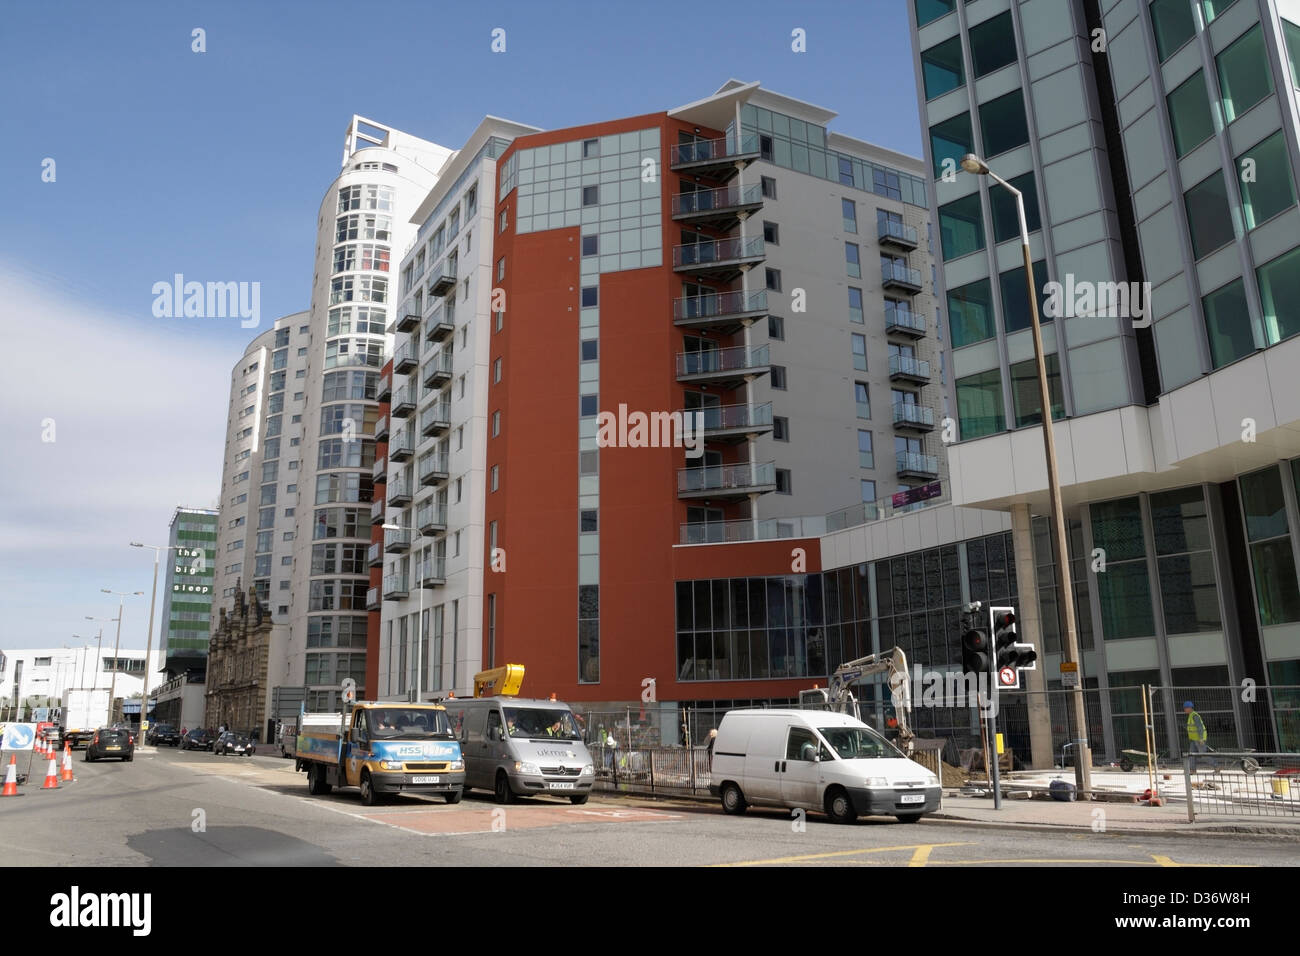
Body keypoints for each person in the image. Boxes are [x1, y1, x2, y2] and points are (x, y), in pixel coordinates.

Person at [1185, 701, 1209, 772]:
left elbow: (1200, 727)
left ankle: (1216, 766)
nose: (1184, 710)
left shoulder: (1194, 716)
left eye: (1185, 708)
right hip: (1194, 740)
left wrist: (1201, 738)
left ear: (1189, 708)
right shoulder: (1190, 716)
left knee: (1203, 755)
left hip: (1199, 739)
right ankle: (1192, 770)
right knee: (1191, 755)